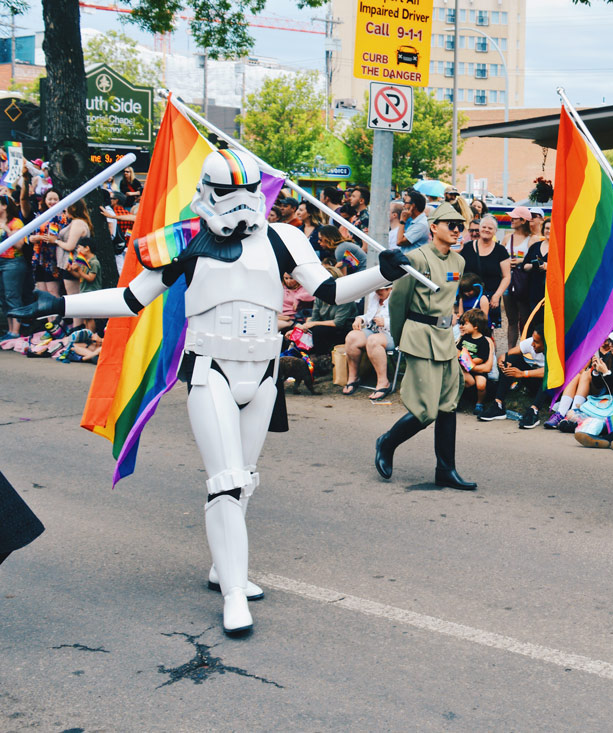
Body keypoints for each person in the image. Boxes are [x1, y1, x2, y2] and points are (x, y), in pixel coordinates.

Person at [14, 149, 409, 636]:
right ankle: (233, 591)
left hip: (263, 372)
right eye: (229, 193)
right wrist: (56, 304)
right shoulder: (184, 241)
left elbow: (329, 290)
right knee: (224, 481)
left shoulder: (284, 238)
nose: (241, 204)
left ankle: (225, 568)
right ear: (208, 192)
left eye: (248, 193)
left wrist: (385, 271)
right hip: (212, 369)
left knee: (243, 477)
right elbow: (131, 298)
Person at [375, 202, 476, 491]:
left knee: (448, 406)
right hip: (419, 337)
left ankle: (446, 470)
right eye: (451, 225)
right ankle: (387, 442)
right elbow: (397, 302)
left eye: (461, 226)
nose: (458, 230)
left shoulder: (458, 262)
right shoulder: (415, 259)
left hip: (445, 337)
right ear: (433, 227)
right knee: (426, 409)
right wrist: (399, 339)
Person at [479, 328, 548, 425]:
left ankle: (534, 411)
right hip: (535, 383)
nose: (532, 344)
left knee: (549, 377)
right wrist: (502, 360)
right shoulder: (531, 343)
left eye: (536, 342)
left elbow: (552, 372)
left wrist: (523, 373)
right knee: (511, 359)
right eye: (533, 340)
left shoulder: (557, 350)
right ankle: (498, 404)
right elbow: (508, 353)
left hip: (552, 389)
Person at [343, 285, 394, 398]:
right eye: (376, 289)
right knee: (352, 337)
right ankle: (353, 378)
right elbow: (370, 315)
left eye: (380, 290)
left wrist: (385, 322)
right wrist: (360, 318)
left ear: (389, 289)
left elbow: (404, 319)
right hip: (374, 330)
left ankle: (383, 383)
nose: (377, 292)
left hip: (392, 333)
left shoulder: (397, 298)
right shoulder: (374, 296)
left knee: (373, 340)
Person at [461, 216, 509, 329]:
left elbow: (506, 276)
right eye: (484, 227)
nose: (486, 230)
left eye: (490, 228)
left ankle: (489, 347)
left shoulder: (500, 251)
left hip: (491, 297)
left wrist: (497, 296)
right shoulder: (467, 248)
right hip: (469, 296)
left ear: (495, 231)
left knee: (487, 329)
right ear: (479, 228)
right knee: (467, 328)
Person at [503, 205, 536, 348]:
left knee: (525, 318)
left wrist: (522, 261)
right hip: (507, 281)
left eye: (514, 217)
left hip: (523, 284)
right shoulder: (506, 238)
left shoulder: (532, 239)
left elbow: (535, 259)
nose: (511, 220)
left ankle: (524, 348)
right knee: (511, 319)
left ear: (523, 221)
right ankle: (511, 350)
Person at [457, 308, 496, 412]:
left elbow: (482, 357)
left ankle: (479, 403)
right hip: (465, 366)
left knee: (481, 384)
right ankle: (458, 400)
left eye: (465, 324)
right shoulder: (465, 338)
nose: (462, 326)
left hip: (476, 368)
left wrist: (470, 362)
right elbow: (458, 350)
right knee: (459, 379)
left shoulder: (484, 341)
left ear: (475, 326)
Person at [0, 197, 28, 340]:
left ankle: (15, 331)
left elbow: (19, 244)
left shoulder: (16, 222)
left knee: (12, 296)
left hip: (12, 262)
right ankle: (9, 330)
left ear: (4, 206)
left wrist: (6, 229)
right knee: (3, 298)